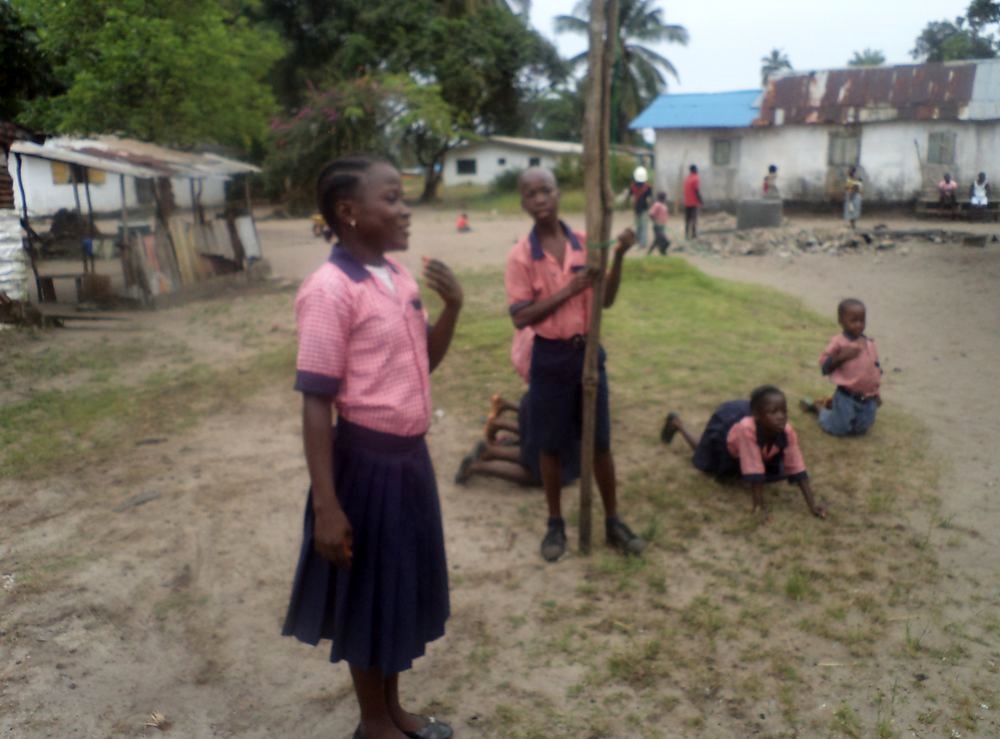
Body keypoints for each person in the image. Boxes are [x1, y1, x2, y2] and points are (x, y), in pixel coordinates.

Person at [282, 156, 462, 739]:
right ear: (349, 212)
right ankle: (372, 723)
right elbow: (316, 401)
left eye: (404, 197)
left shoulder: (399, 278)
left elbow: (424, 364)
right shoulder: (329, 291)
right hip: (365, 464)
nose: (405, 208)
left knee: (397, 585)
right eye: (391, 198)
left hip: (410, 460)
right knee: (367, 594)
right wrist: (328, 506)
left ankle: (393, 709)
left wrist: (453, 309)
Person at [505, 166, 646, 562]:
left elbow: (606, 301)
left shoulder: (586, 243)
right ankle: (555, 523)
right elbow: (520, 317)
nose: (539, 200)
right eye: (530, 194)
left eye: (545, 191)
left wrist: (618, 256)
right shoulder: (521, 256)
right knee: (549, 444)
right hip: (549, 357)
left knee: (599, 442)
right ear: (523, 202)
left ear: (557, 193)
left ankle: (613, 521)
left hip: (588, 354)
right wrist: (569, 291)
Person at [660, 385, 827, 523]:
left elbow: (796, 465)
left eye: (784, 411)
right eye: (773, 412)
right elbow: (753, 468)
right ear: (757, 416)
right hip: (727, 438)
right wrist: (759, 507)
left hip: (749, 448)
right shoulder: (747, 429)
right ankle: (678, 425)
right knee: (704, 461)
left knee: (766, 470)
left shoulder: (787, 431)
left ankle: (679, 426)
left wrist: (812, 506)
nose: (781, 417)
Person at [454, 393, 581, 487]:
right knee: (548, 471)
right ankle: (478, 465)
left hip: (544, 398)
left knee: (541, 454)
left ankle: (490, 451)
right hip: (555, 407)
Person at [800, 298, 882, 437]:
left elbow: (874, 371)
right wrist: (841, 357)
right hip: (847, 395)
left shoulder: (869, 343)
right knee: (840, 429)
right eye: (853, 320)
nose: (858, 325)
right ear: (841, 321)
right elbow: (824, 368)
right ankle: (820, 409)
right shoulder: (838, 342)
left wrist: (876, 394)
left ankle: (835, 408)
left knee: (861, 430)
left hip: (868, 397)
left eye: (862, 320)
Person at [628, 166, 653, 250]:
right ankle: (642, 243)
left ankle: (639, 242)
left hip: (637, 209)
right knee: (643, 227)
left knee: (638, 226)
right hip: (644, 209)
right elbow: (649, 200)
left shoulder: (632, 187)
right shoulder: (648, 187)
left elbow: (631, 199)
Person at [647, 191, 671, 255]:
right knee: (666, 242)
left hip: (662, 226)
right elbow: (650, 214)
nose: (665, 199)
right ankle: (663, 252)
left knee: (657, 241)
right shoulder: (657, 204)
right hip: (657, 226)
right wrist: (655, 221)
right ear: (661, 198)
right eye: (664, 197)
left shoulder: (663, 205)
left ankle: (649, 254)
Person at [683, 165, 703, 239]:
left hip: (687, 202)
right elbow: (696, 190)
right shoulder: (696, 178)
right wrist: (700, 200)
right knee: (694, 219)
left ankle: (686, 234)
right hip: (694, 202)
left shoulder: (687, 178)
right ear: (695, 170)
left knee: (687, 219)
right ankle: (693, 235)